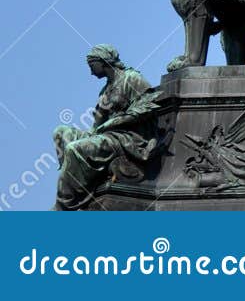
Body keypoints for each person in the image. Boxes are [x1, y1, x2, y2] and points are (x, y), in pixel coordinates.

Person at [52, 46, 163, 210]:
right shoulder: (105, 90)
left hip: (129, 137)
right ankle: (80, 183)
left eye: (92, 66)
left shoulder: (132, 78)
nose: (91, 72)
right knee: (61, 133)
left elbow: (148, 106)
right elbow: (97, 125)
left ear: (103, 61)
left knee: (74, 149)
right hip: (107, 135)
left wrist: (115, 122)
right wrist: (95, 129)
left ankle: (64, 204)